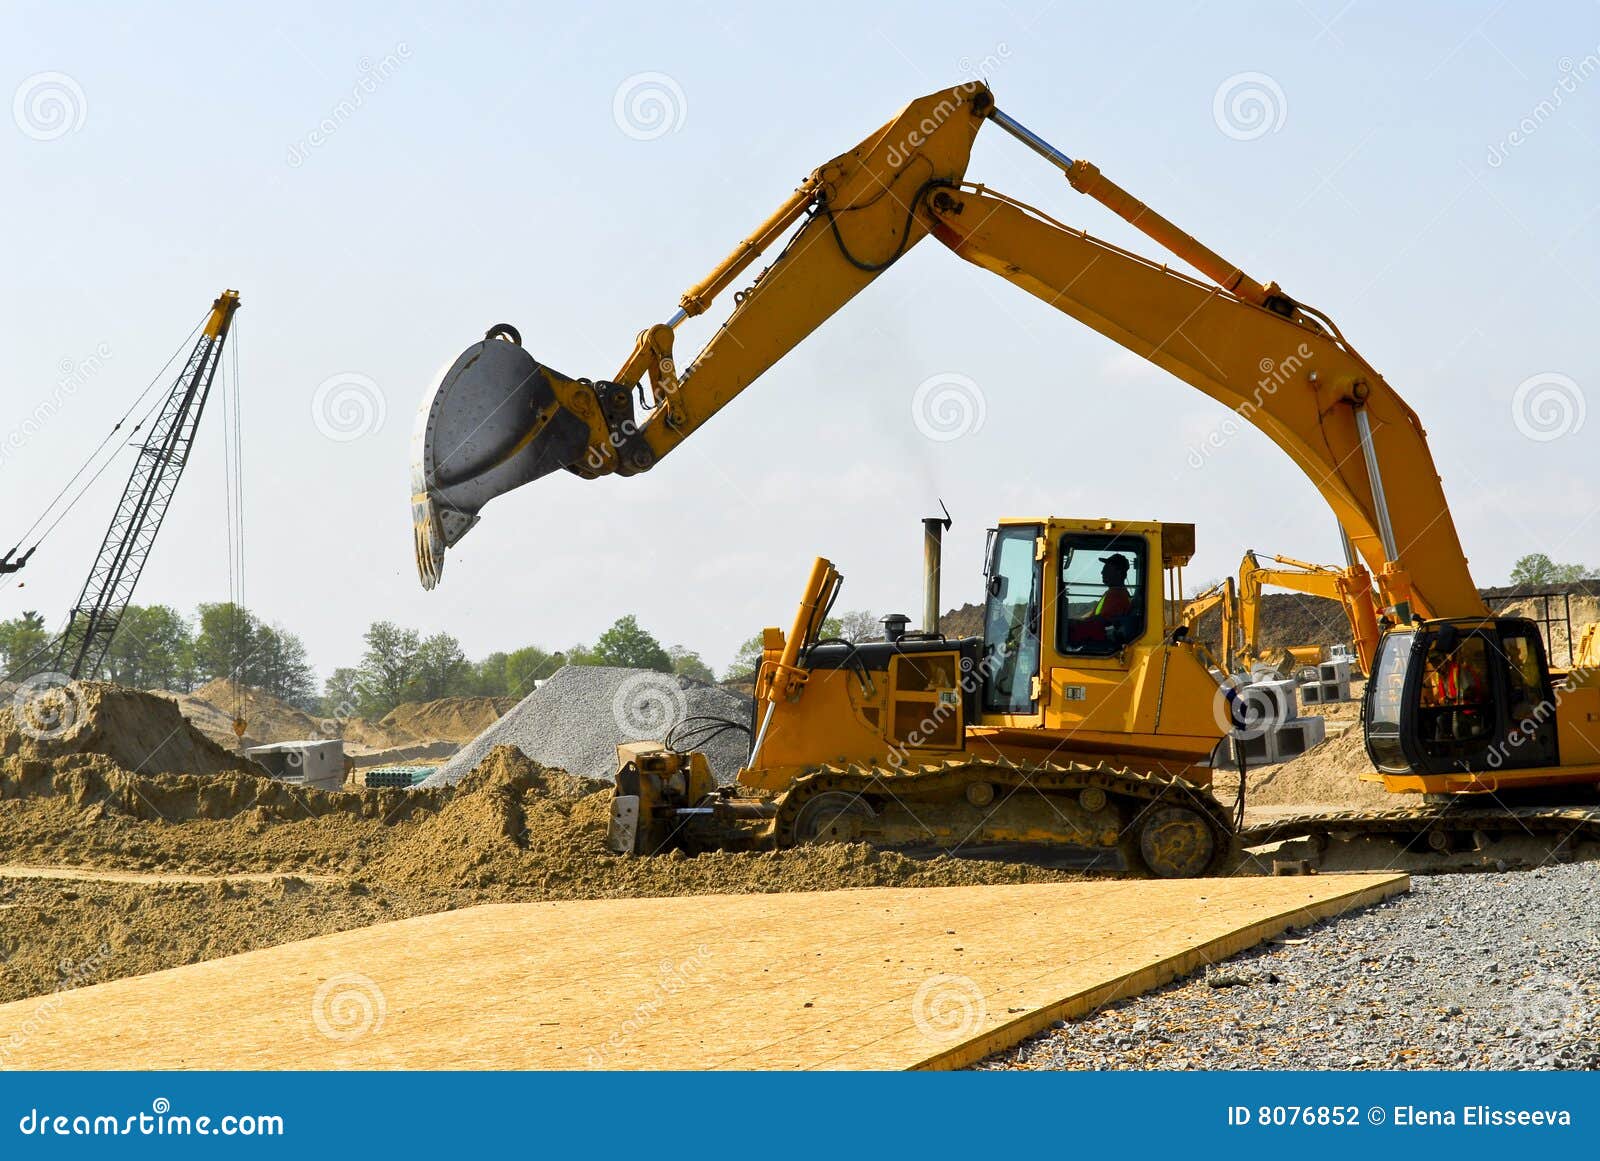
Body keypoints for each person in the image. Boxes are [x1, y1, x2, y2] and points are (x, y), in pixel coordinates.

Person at [1068, 554, 1134, 645]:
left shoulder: (1117, 595)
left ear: (1118, 571)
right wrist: (1079, 620)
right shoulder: (1113, 592)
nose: (1102, 572)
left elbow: (1102, 621)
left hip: (1096, 640)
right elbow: (1097, 615)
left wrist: (1075, 623)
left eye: (1107, 569)